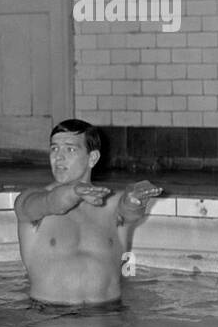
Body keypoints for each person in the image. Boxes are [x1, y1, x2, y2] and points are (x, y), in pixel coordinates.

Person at [15, 119, 162, 307]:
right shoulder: (30, 202)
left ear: (92, 158)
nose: (58, 157)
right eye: (54, 149)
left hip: (107, 314)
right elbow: (53, 203)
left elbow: (130, 212)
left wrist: (135, 199)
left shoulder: (112, 205)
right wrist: (74, 191)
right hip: (50, 316)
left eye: (70, 149)